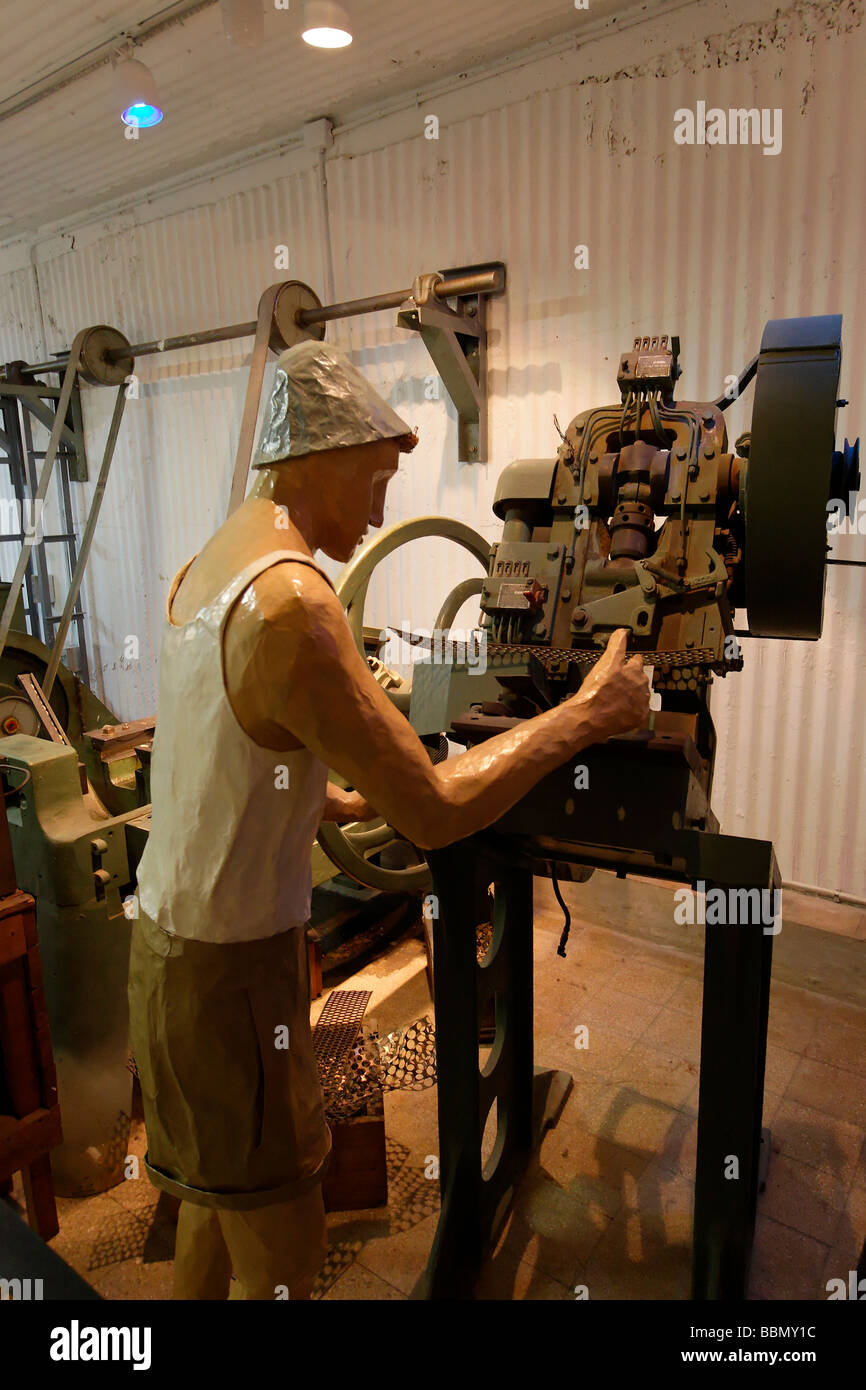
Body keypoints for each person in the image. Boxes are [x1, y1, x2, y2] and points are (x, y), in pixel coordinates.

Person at [129, 339, 650, 1300]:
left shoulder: (209, 566)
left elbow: (216, 754)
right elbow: (443, 810)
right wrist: (590, 714)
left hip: (168, 960)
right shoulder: (291, 601)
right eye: (373, 479)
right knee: (282, 1256)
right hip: (232, 983)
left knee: (211, 1203)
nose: (378, 510)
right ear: (316, 456)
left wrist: (327, 798)